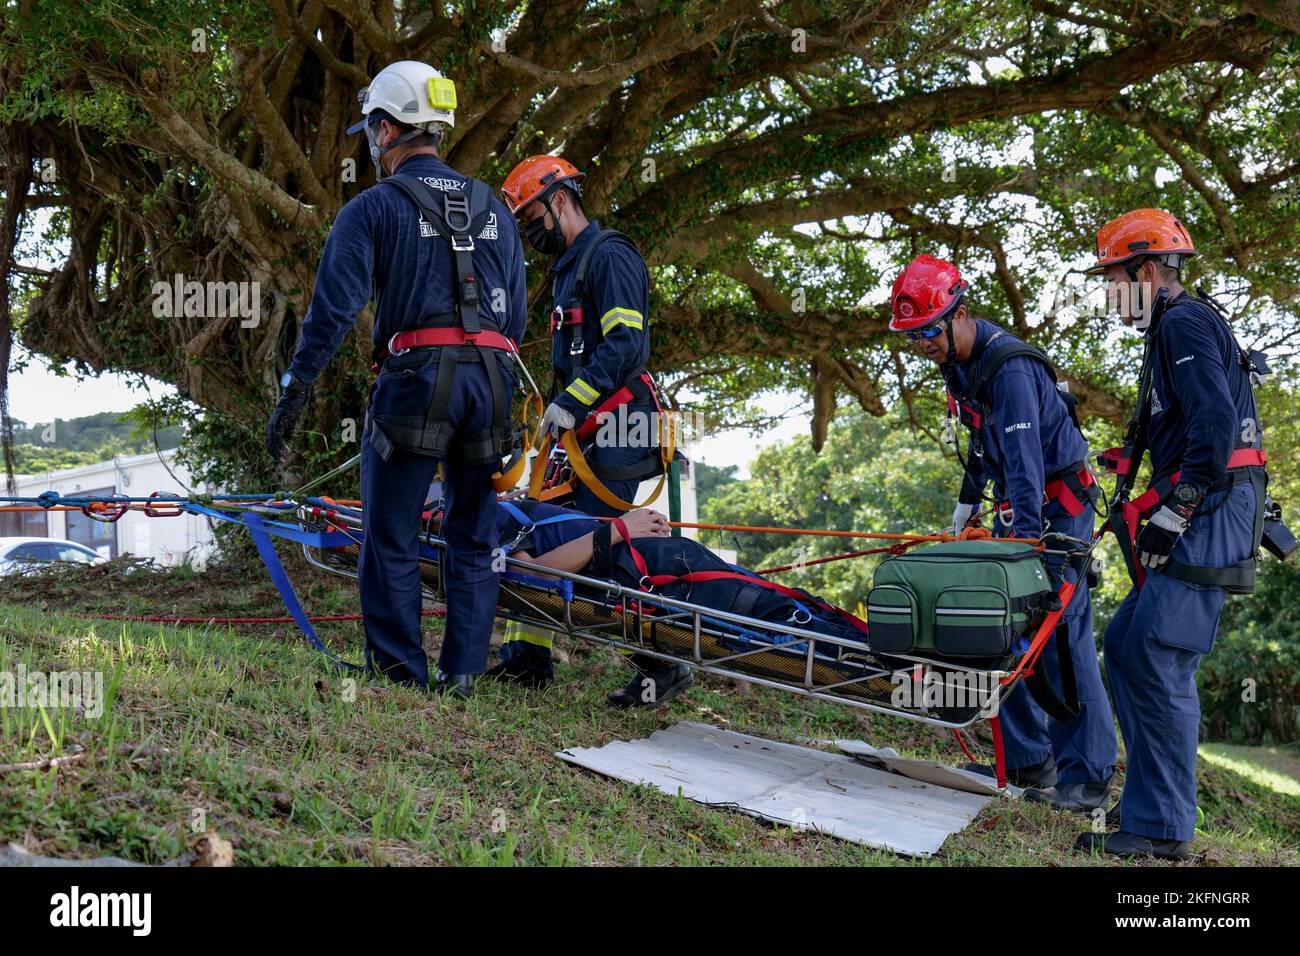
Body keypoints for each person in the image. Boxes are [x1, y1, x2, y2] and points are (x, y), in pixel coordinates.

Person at [265, 60, 527, 698]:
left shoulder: (372, 209)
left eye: (371, 131)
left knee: (392, 531)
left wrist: (296, 392)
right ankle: (462, 674)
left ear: (385, 129)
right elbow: (514, 317)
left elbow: (332, 311)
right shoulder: (497, 208)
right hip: (492, 383)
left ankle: (400, 675)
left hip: (416, 382)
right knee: (472, 529)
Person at [888, 254, 1117, 808]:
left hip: (1056, 509)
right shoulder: (956, 367)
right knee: (992, 619)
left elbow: (1024, 461)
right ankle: (1026, 759)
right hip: (1017, 506)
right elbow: (980, 450)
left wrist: (1030, 551)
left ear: (960, 313)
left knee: (1058, 629)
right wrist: (966, 508)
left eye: (929, 332)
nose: (923, 345)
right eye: (913, 337)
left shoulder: (1010, 368)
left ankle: (1086, 774)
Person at [1076, 209, 1267, 860]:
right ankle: (1152, 816)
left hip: (1213, 509)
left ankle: (1161, 831)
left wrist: (1175, 510)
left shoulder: (1182, 322)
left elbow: (1214, 430)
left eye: (1113, 279)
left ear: (1149, 271)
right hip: (1210, 505)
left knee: (1158, 652)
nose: (1108, 294)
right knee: (1128, 644)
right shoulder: (1175, 328)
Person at [492, 155, 685, 707]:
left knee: (600, 548)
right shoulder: (567, 272)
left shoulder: (610, 257)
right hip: (581, 435)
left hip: (619, 432)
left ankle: (660, 663)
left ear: (558, 201)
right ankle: (528, 659)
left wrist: (572, 404)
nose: (529, 234)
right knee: (546, 534)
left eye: (530, 219)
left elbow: (628, 347)